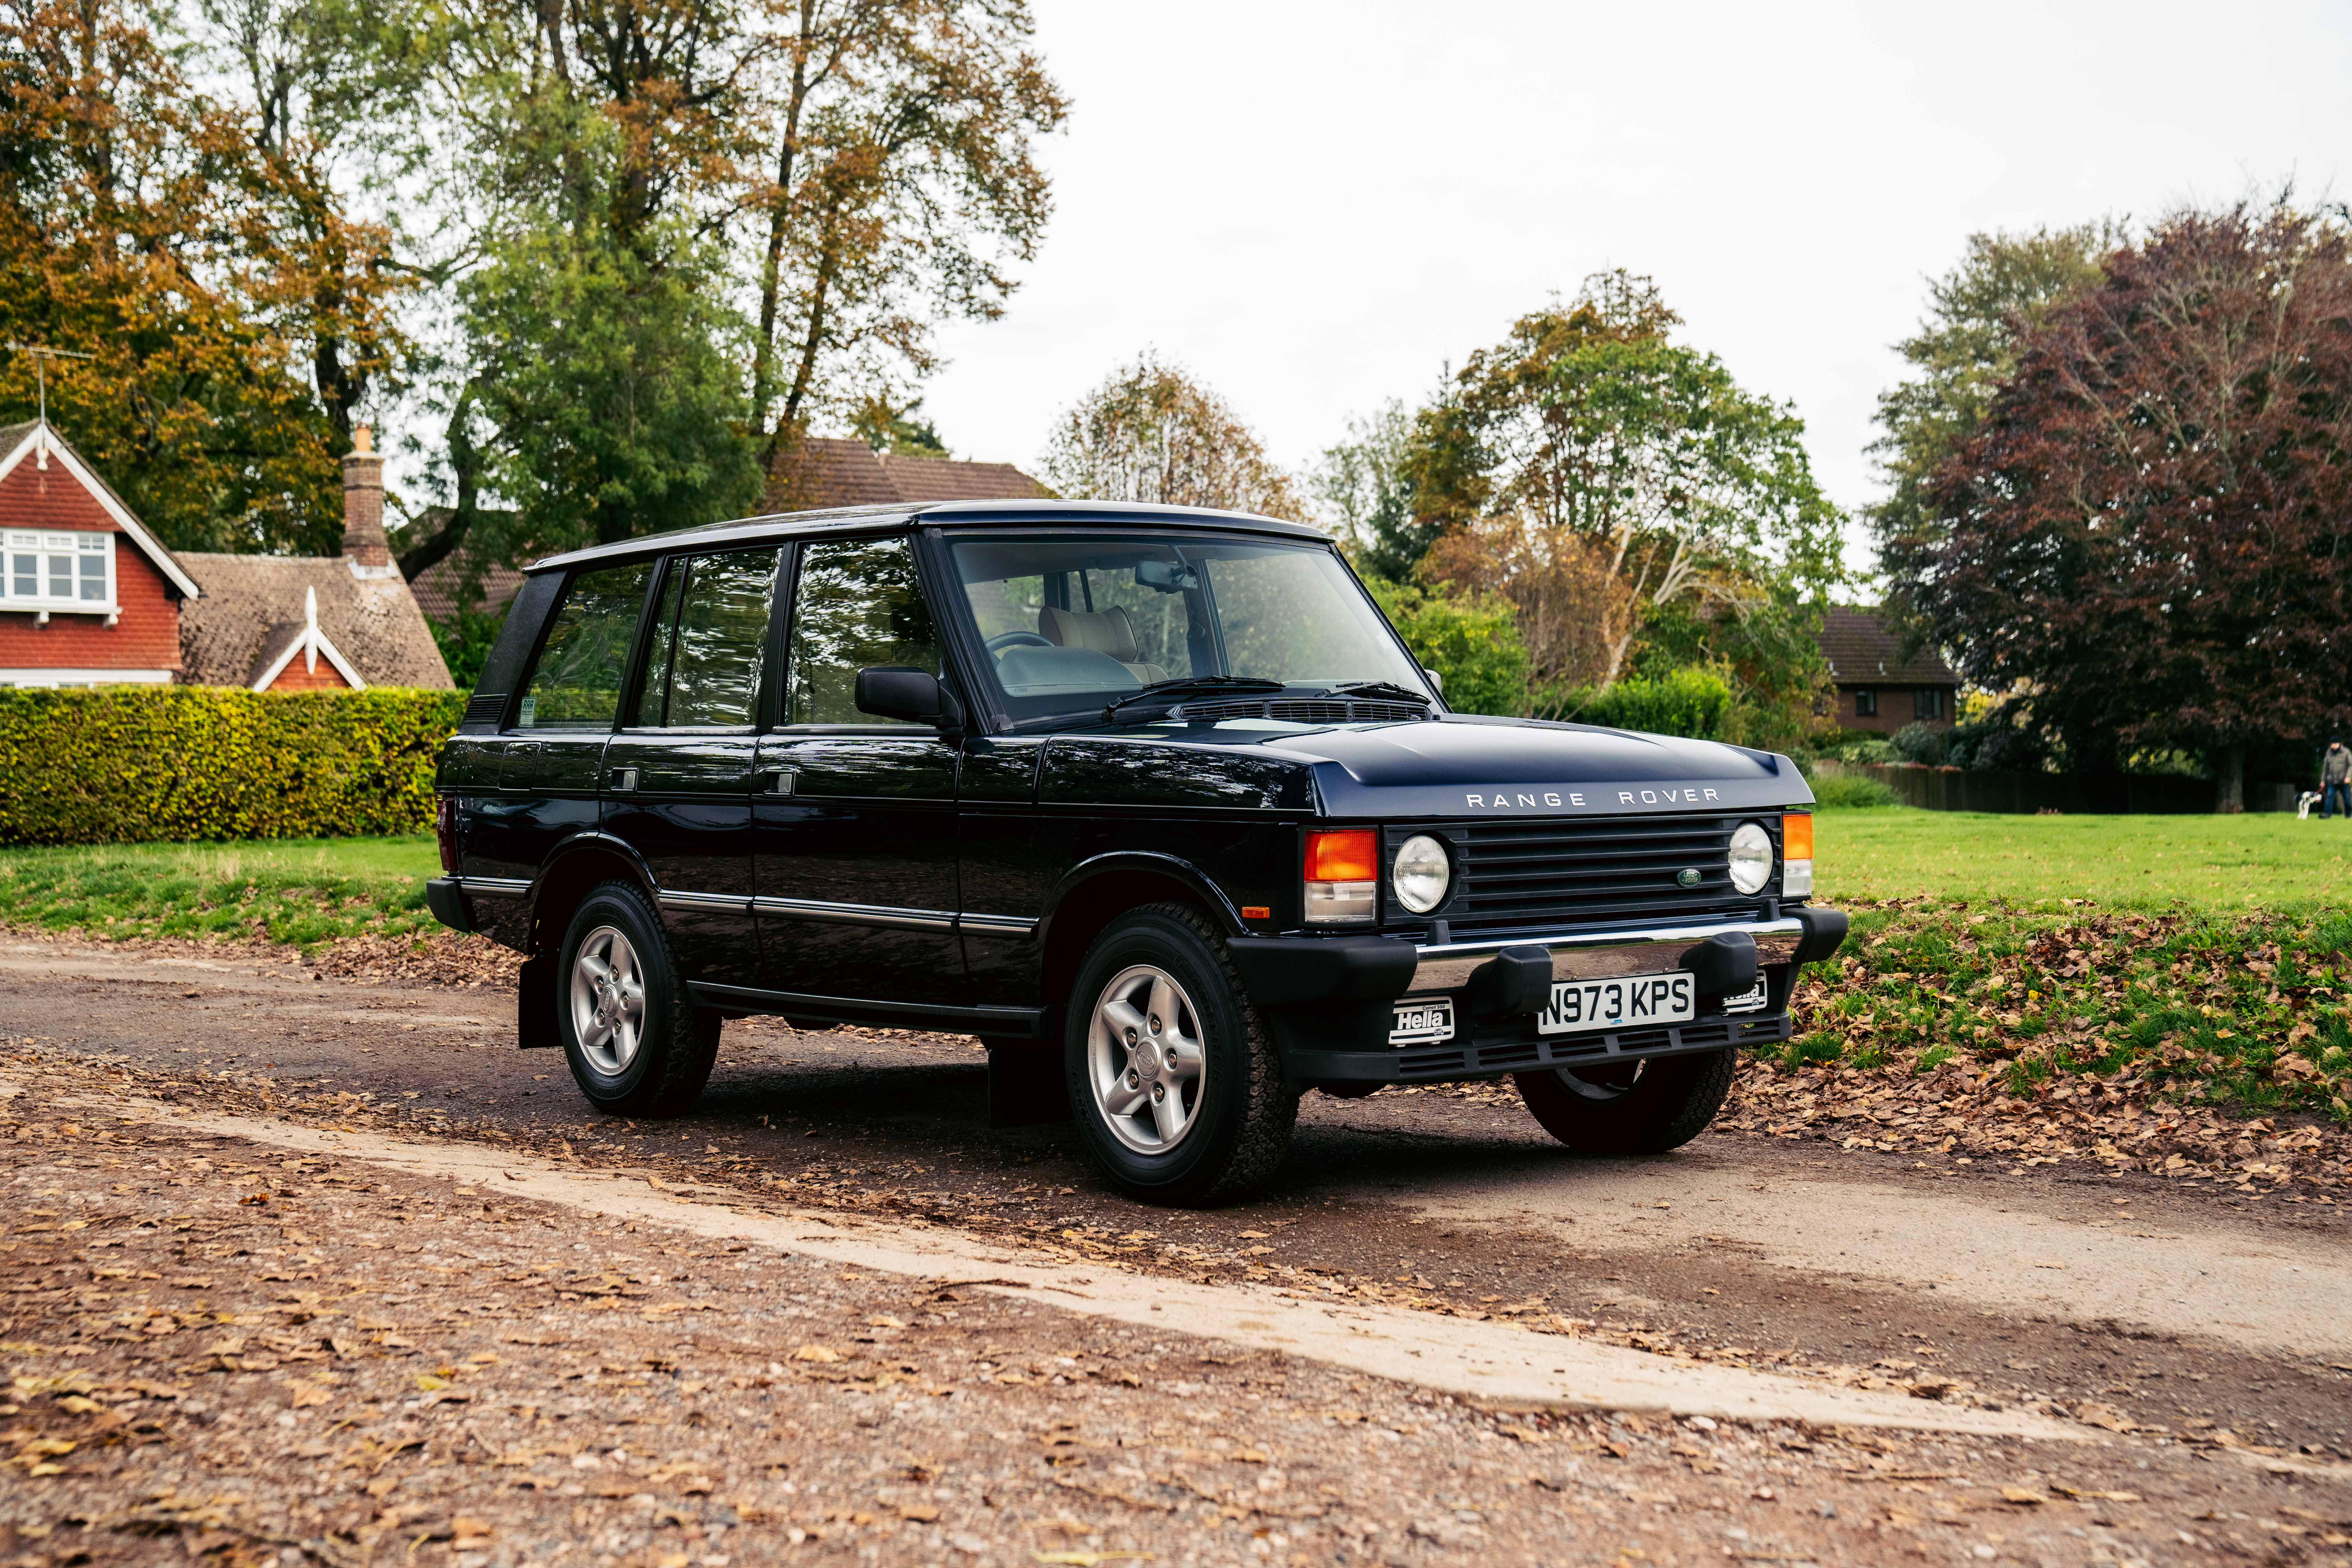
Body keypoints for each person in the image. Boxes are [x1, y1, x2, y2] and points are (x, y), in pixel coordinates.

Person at [2323, 739, 2352, 820]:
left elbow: (2351, 765)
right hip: (2332, 781)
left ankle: (2348, 816)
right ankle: (2327, 815)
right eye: (2332, 744)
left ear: (2339, 744)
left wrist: (2348, 777)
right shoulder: (2329, 752)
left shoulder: (2346, 752)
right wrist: (2323, 780)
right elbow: (2326, 768)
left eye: (2335, 744)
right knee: (2329, 797)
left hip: (2344, 782)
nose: (2334, 745)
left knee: (2347, 800)